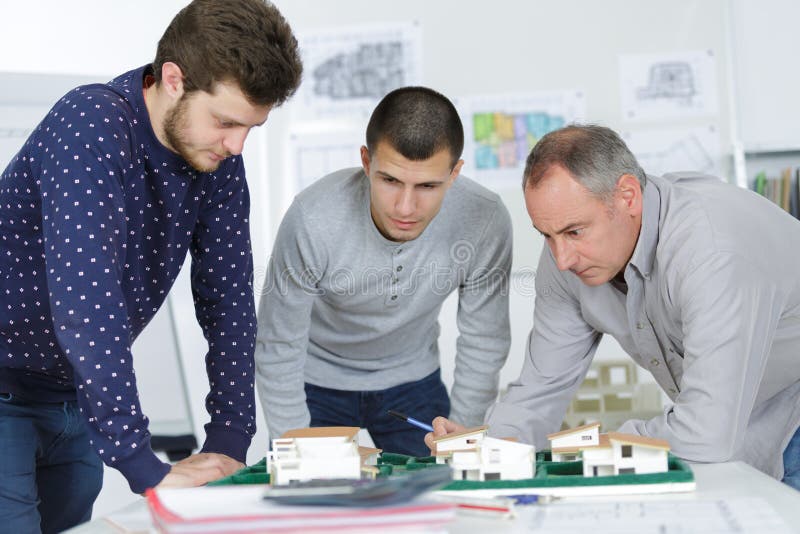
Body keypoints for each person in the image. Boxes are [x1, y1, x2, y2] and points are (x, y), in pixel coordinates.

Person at [0, 0, 303, 531]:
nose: (237, 144)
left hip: (72, 397)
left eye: (251, 128)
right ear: (172, 79)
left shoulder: (216, 159)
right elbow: (88, 306)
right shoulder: (92, 125)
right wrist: (145, 466)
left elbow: (227, 299)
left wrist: (229, 442)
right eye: (226, 122)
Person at [426, 124, 800, 490]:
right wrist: (497, 445)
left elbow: (705, 433)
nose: (561, 259)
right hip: (733, 428)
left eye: (575, 231)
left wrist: (584, 448)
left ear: (627, 196)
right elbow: (541, 388)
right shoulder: (566, 256)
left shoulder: (711, 253)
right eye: (547, 235)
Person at [255, 86, 512, 456]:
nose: (405, 206)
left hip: (412, 379)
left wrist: (463, 434)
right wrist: (294, 450)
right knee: (313, 503)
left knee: (441, 496)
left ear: (455, 173)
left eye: (427, 185)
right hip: (315, 381)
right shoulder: (313, 218)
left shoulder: (484, 219)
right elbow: (278, 343)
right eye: (390, 180)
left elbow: (485, 339)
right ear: (366, 161)